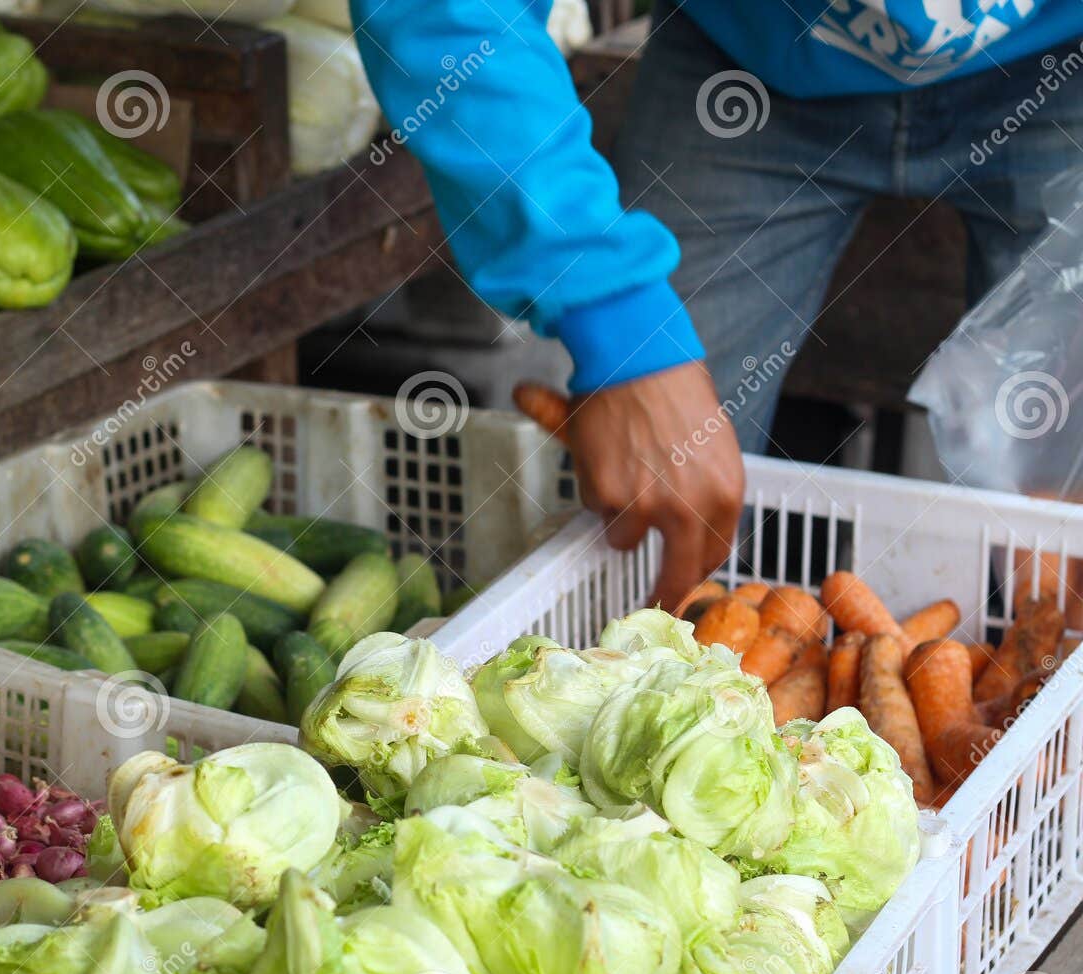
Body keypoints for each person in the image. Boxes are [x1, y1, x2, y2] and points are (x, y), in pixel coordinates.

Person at [351, 0, 1083, 608]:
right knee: (646, 526)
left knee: (1065, 547)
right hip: (751, 53)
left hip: (1060, 60)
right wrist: (611, 311)